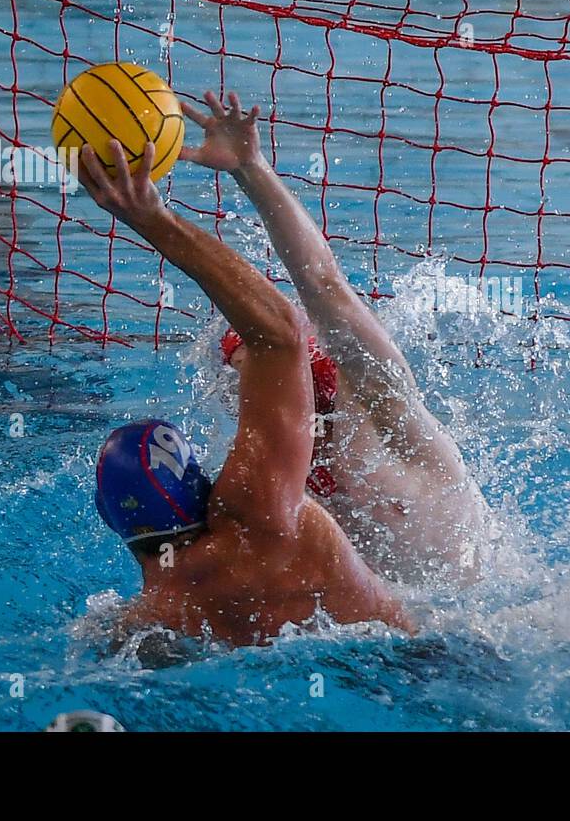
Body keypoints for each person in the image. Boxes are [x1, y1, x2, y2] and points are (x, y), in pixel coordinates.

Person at [81, 137, 411, 648]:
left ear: (111, 521)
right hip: (421, 657)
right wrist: (152, 219)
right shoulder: (257, 516)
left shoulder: (148, 618)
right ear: (196, 484)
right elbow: (281, 333)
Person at [180, 90, 489, 586]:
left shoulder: (392, 415)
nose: (240, 403)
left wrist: (251, 168)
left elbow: (323, 282)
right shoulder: (280, 493)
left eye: (247, 384)